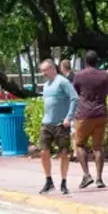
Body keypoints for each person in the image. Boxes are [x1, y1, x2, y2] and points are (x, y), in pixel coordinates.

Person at [70, 50, 108, 189]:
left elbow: (75, 93)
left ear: (85, 61)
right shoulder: (105, 76)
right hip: (101, 113)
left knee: (79, 144)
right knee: (98, 147)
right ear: (97, 61)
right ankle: (99, 178)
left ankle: (86, 175)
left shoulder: (79, 76)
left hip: (84, 114)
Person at [36, 58, 77, 194]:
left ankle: (64, 182)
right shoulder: (46, 85)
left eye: (45, 70)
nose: (44, 73)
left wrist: (68, 117)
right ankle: (49, 180)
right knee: (43, 152)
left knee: (64, 154)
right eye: (42, 71)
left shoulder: (63, 82)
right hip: (47, 123)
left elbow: (74, 98)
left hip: (61, 124)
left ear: (53, 69)